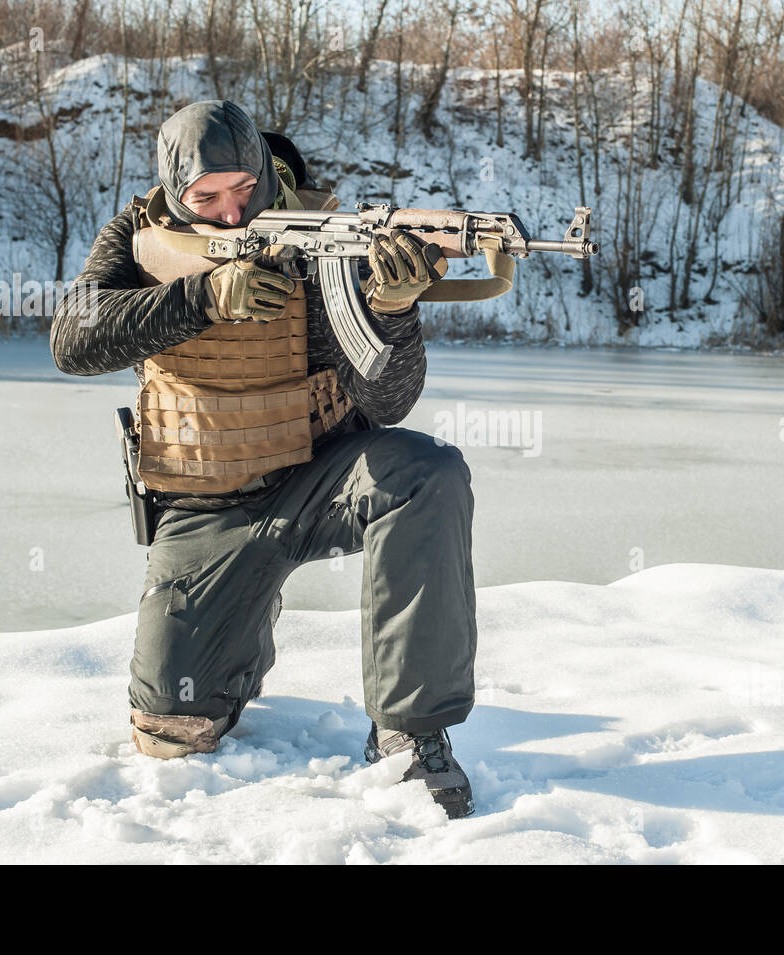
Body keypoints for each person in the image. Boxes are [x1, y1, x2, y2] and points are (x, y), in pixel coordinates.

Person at [49, 100, 477, 818]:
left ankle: (411, 731)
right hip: (203, 506)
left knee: (425, 473)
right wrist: (205, 295)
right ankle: (238, 628)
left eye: (244, 191)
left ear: (265, 177)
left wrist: (394, 310)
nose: (229, 214)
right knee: (173, 729)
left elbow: (391, 399)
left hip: (319, 481)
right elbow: (73, 339)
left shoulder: (324, 238)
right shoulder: (139, 233)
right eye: (205, 199)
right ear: (174, 195)